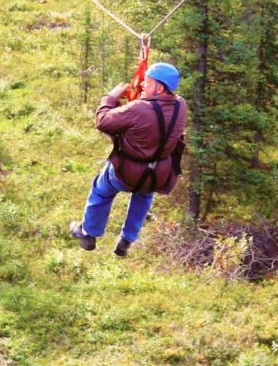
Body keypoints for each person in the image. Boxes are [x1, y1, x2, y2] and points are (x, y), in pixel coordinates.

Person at [69, 63, 188, 256]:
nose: (141, 85)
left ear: (159, 87)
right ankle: (126, 240)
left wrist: (111, 97)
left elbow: (103, 122)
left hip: (126, 172)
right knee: (144, 195)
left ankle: (88, 233)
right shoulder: (180, 106)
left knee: (102, 190)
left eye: (147, 82)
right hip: (159, 173)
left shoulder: (139, 108)